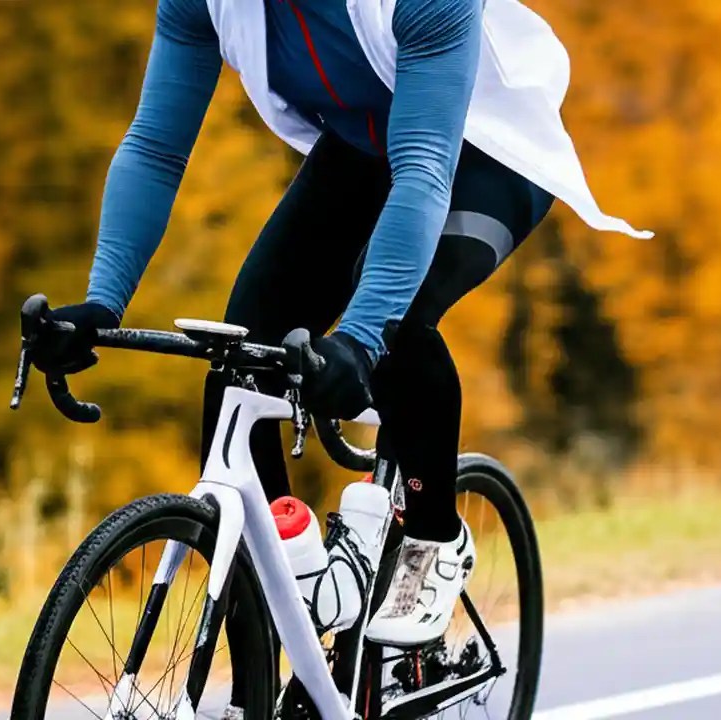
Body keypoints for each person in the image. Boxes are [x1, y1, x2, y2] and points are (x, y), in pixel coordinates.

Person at [33, 0, 649, 648]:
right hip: (366, 144)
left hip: (481, 151)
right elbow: (157, 148)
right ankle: (275, 613)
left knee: (396, 319)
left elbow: (424, 170)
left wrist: (358, 338)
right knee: (244, 349)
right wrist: (101, 306)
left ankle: (434, 536)